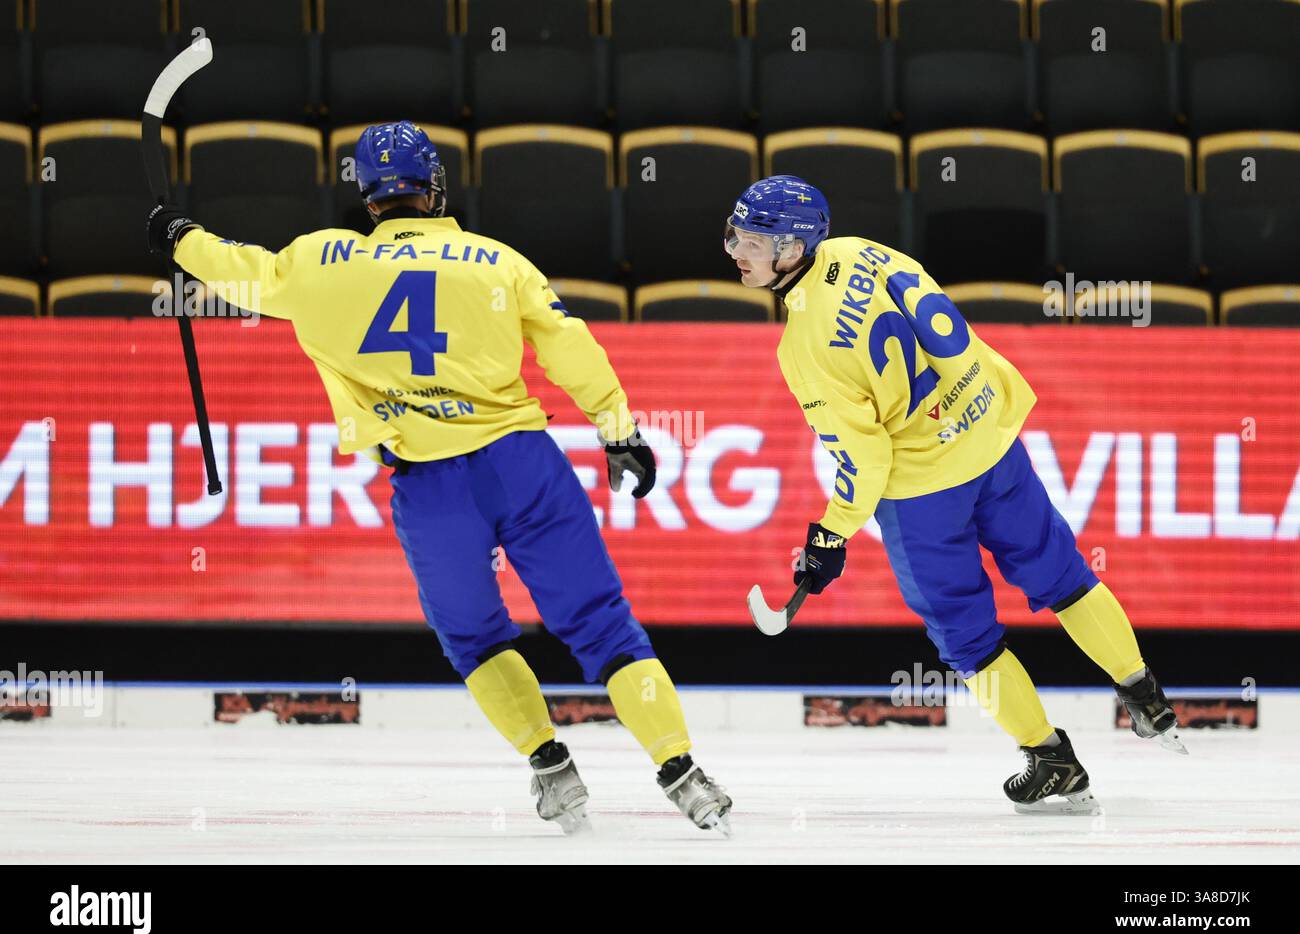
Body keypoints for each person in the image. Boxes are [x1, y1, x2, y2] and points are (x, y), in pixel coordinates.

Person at [146, 120, 731, 834]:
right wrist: (618, 430)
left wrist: (179, 237)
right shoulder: (496, 260)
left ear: (367, 199)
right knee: (603, 625)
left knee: (476, 638)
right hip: (523, 465)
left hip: (430, 484)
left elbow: (246, 271)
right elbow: (569, 346)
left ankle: (551, 768)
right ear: (435, 190)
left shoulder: (320, 262)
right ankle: (683, 773)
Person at [724, 174, 1185, 814]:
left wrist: (829, 534)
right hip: (991, 441)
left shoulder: (803, 346)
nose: (736, 252)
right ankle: (1143, 692)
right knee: (1065, 578)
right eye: (735, 235)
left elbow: (865, 458)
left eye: (752, 240)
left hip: (924, 493)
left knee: (967, 640)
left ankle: (1051, 760)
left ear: (794, 248)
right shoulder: (867, 250)